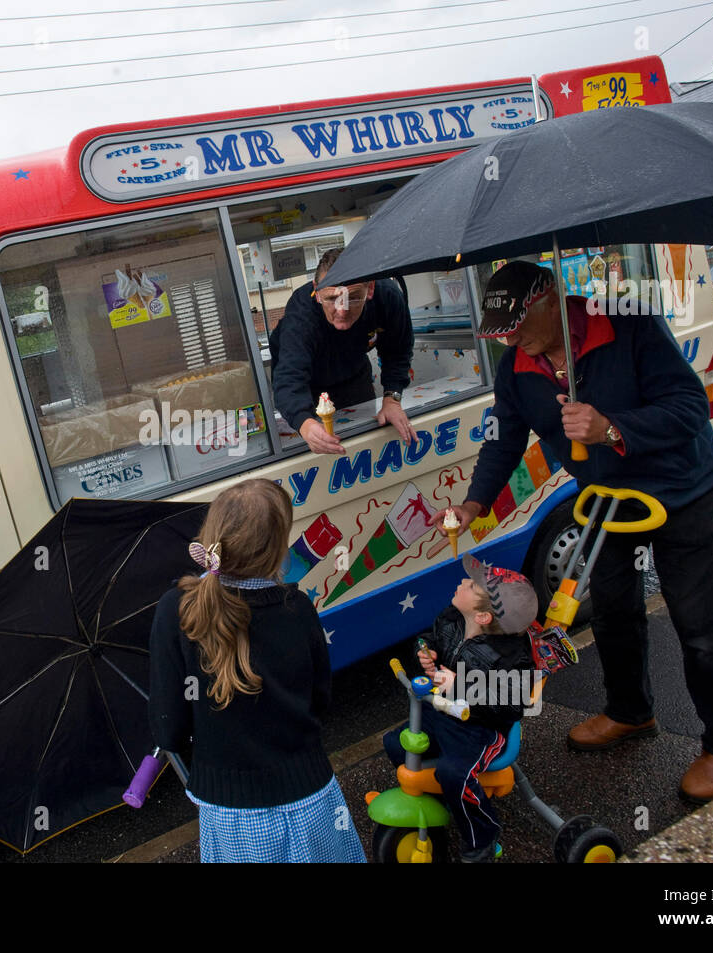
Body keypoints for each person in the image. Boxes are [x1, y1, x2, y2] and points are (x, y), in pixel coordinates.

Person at [431, 260, 713, 803]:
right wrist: (472, 504)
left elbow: (690, 407)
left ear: (551, 298)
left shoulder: (628, 324)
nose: (512, 340)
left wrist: (611, 429)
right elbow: (503, 440)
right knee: (612, 611)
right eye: (503, 332)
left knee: (703, 625)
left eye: (518, 325)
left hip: (680, 491)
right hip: (606, 502)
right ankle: (630, 712)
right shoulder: (518, 366)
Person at [147, 478, 365, 863]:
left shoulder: (175, 608)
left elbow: (169, 723)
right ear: (277, 548)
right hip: (309, 791)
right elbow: (320, 697)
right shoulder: (296, 606)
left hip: (229, 805)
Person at [381, 556, 537, 862]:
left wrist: (462, 685)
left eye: (470, 584)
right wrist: (424, 652)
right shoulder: (452, 619)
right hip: (442, 712)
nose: (462, 582)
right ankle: (442, 799)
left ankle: (483, 837)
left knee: (455, 774)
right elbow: (428, 637)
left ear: (482, 617)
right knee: (395, 745)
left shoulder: (512, 657)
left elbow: (511, 705)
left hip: (481, 728)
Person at [271, 248, 415, 455]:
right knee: (317, 440)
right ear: (317, 291)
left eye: (354, 298)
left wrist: (392, 398)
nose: (342, 310)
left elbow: (398, 351)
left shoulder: (388, 296)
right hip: (310, 386)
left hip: (354, 374)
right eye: (331, 298)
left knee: (366, 440)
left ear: (371, 288)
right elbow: (288, 377)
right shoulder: (301, 314)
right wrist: (305, 423)